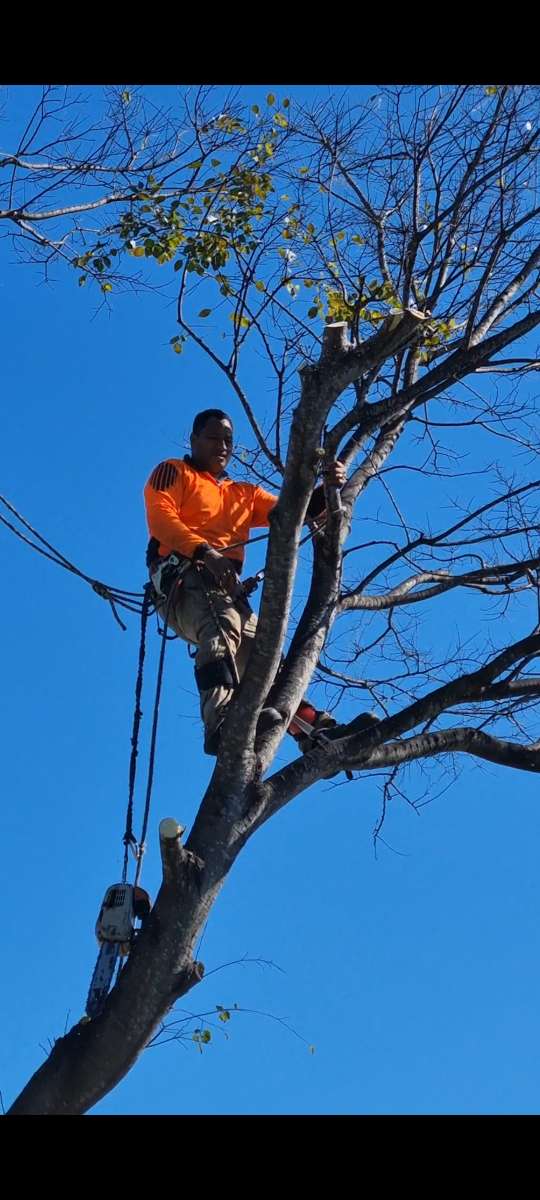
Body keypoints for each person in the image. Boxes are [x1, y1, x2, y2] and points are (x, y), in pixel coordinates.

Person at [144, 409, 376, 756]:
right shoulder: (174, 472)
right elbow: (160, 518)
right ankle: (219, 721)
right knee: (221, 627)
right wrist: (205, 552)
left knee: (266, 660)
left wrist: (329, 486)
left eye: (228, 440)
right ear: (193, 440)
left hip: (226, 591)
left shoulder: (243, 494)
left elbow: (294, 512)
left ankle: (317, 732)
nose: (222, 446)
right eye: (213, 438)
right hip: (184, 579)